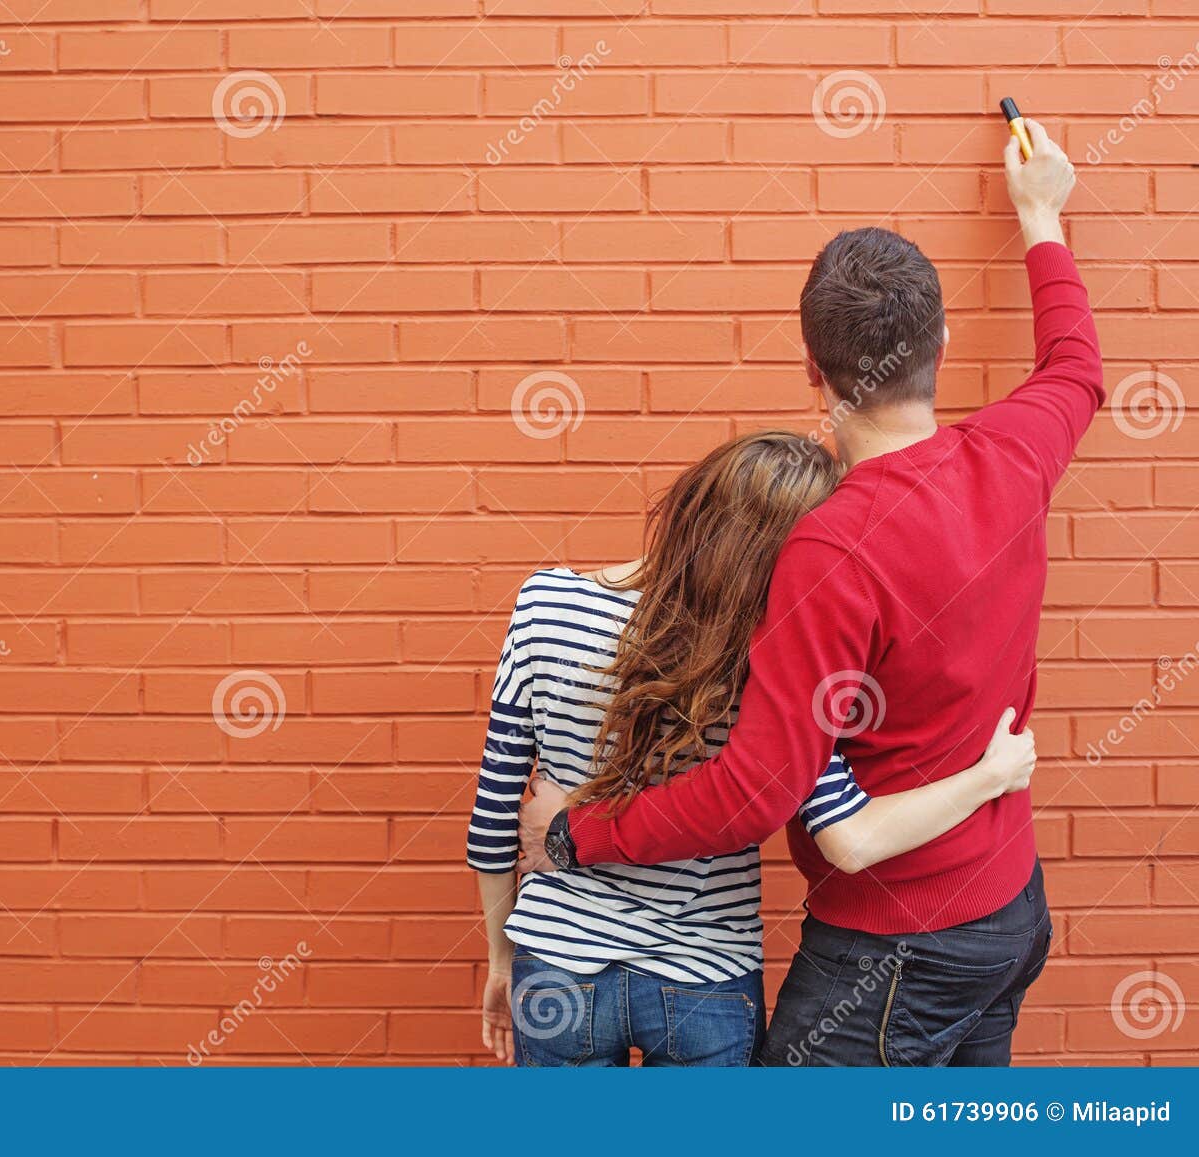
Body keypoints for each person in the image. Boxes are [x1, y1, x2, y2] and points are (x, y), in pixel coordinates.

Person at [519, 120, 1099, 1066]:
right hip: (1008, 912)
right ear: (943, 342)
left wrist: (577, 832)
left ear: (813, 373)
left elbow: (755, 791)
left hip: (897, 950)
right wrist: (1041, 216)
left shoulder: (828, 548)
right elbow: (1075, 365)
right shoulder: (1015, 452)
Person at [470, 432, 1037, 1067]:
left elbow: (493, 817)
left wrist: (501, 960)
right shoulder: (771, 664)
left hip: (558, 960)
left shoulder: (543, 604)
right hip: (704, 976)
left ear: (691, 501)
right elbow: (851, 833)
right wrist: (990, 776)